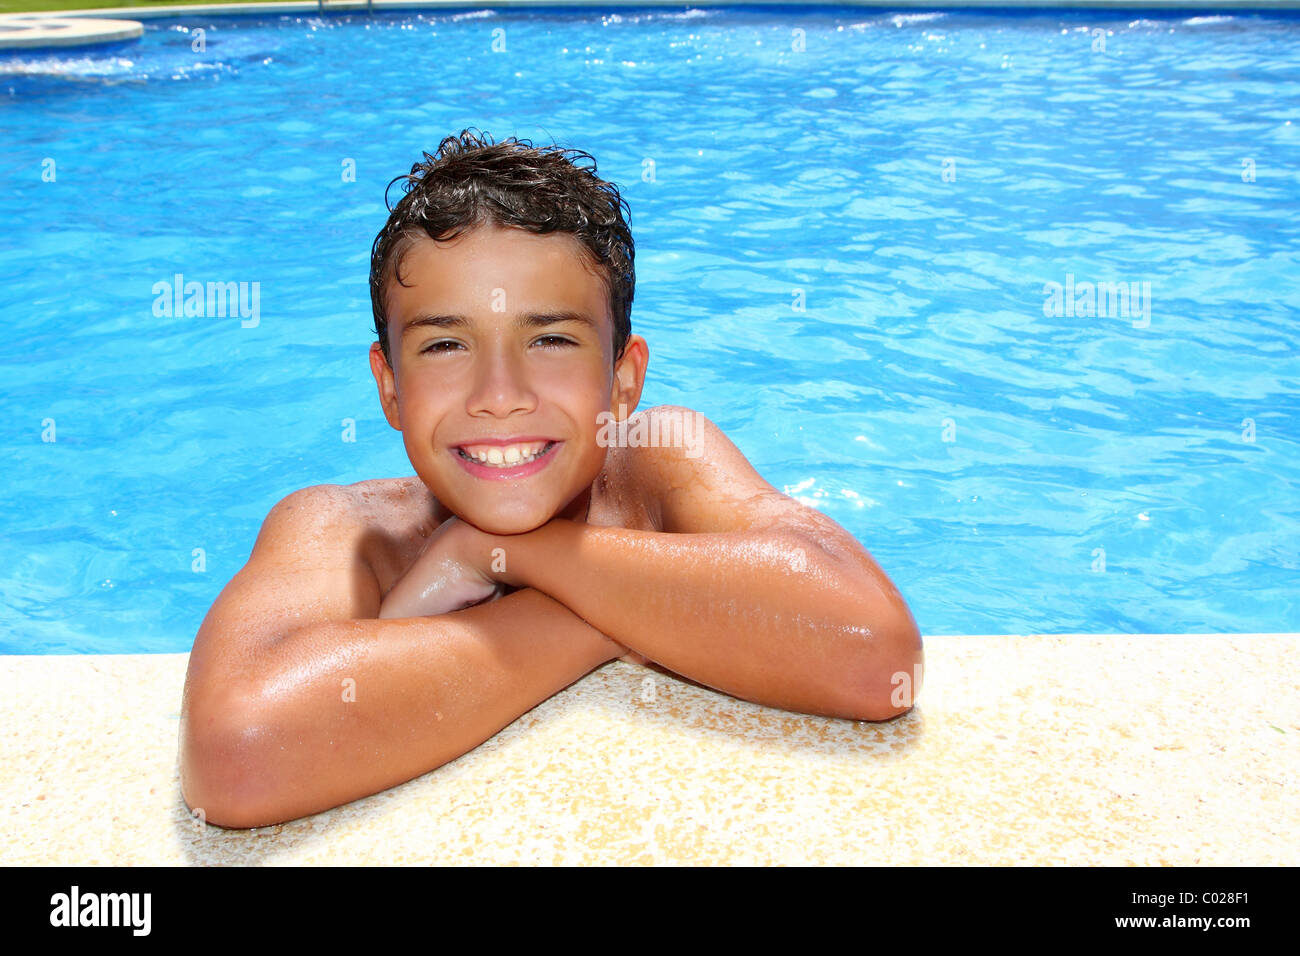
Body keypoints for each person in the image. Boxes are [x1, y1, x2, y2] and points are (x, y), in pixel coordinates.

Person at [179, 129, 923, 829]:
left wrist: (505, 556)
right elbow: (236, 757)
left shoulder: (663, 460)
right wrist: (617, 617)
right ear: (391, 388)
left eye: (551, 338)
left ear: (623, 382)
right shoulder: (345, 530)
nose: (499, 393)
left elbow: (874, 653)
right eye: (444, 344)